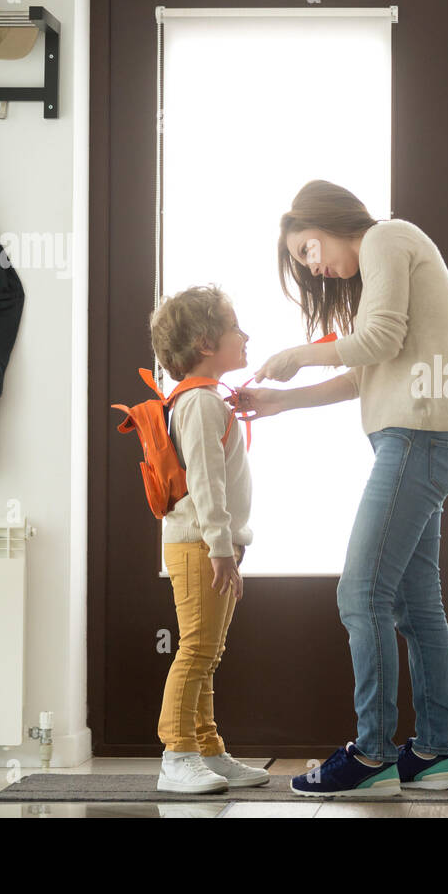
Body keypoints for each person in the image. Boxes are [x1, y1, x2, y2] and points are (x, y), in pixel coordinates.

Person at [235, 180, 448, 797]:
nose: (314, 266)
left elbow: (378, 342)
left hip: (415, 441)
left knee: (360, 593)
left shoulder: (387, 238)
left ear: (330, 221)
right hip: (423, 440)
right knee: (416, 607)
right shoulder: (384, 262)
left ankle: (372, 758)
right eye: (303, 261)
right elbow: (368, 371)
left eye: (309, 249)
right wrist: (284, 403)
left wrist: (297, 354)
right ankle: (434, 754)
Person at [150, 285, 269, 793]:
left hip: (211, 545)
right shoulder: (199, 403)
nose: (244, 335)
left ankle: (207, 750)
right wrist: (221, 549)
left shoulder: (205, 400)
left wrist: (226, 548)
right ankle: (176, 754)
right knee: (197, 649)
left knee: (207, 652)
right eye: (234, 327)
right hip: (201, 545)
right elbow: (205, 483)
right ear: (204, 342)